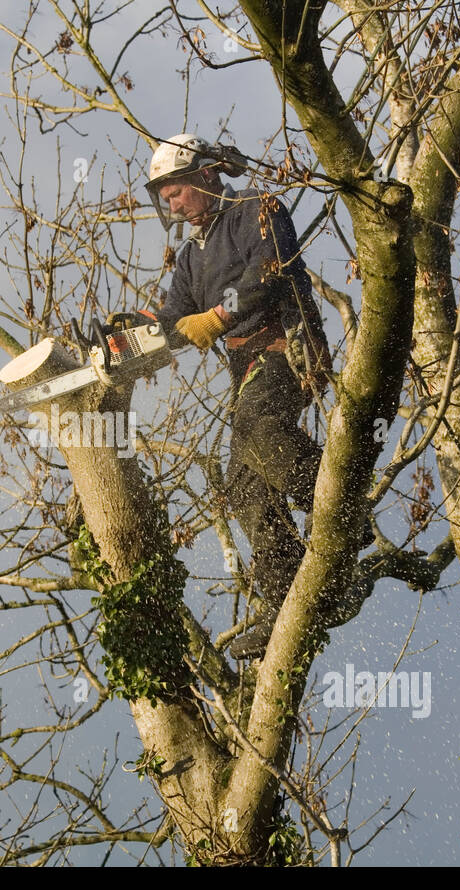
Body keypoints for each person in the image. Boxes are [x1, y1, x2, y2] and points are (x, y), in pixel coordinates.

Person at [146, 133, 356, 660]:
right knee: (242, 482)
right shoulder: (193, 256)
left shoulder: (257, 209)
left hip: (286, 345)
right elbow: (176, 316)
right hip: (248, 369)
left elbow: (267, 271)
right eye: (165, 198)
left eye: (176, 193)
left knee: (258, 430)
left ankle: (343, 519)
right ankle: (284, 597)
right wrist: (138, 331)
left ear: (206, 176)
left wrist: (218, 316)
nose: (172, 205)